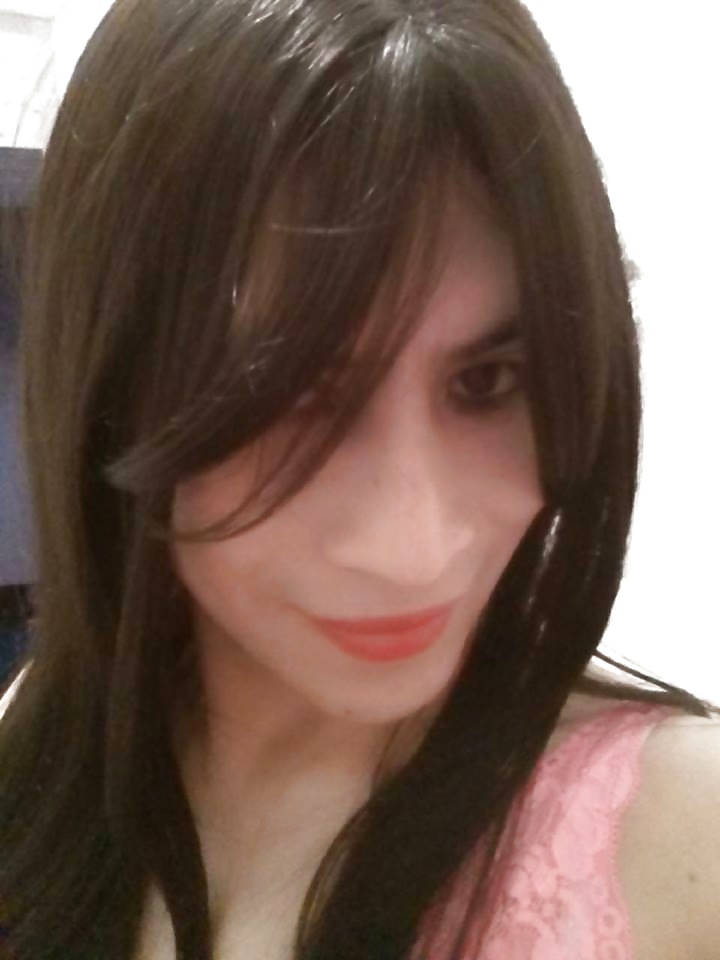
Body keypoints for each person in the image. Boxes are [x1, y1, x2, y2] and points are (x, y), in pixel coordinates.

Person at [0, 1, 718, 958]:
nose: (413, 550)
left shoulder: (683, 844)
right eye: (280, 393)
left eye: (489, 380)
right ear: (109, 390)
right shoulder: (38, 740)